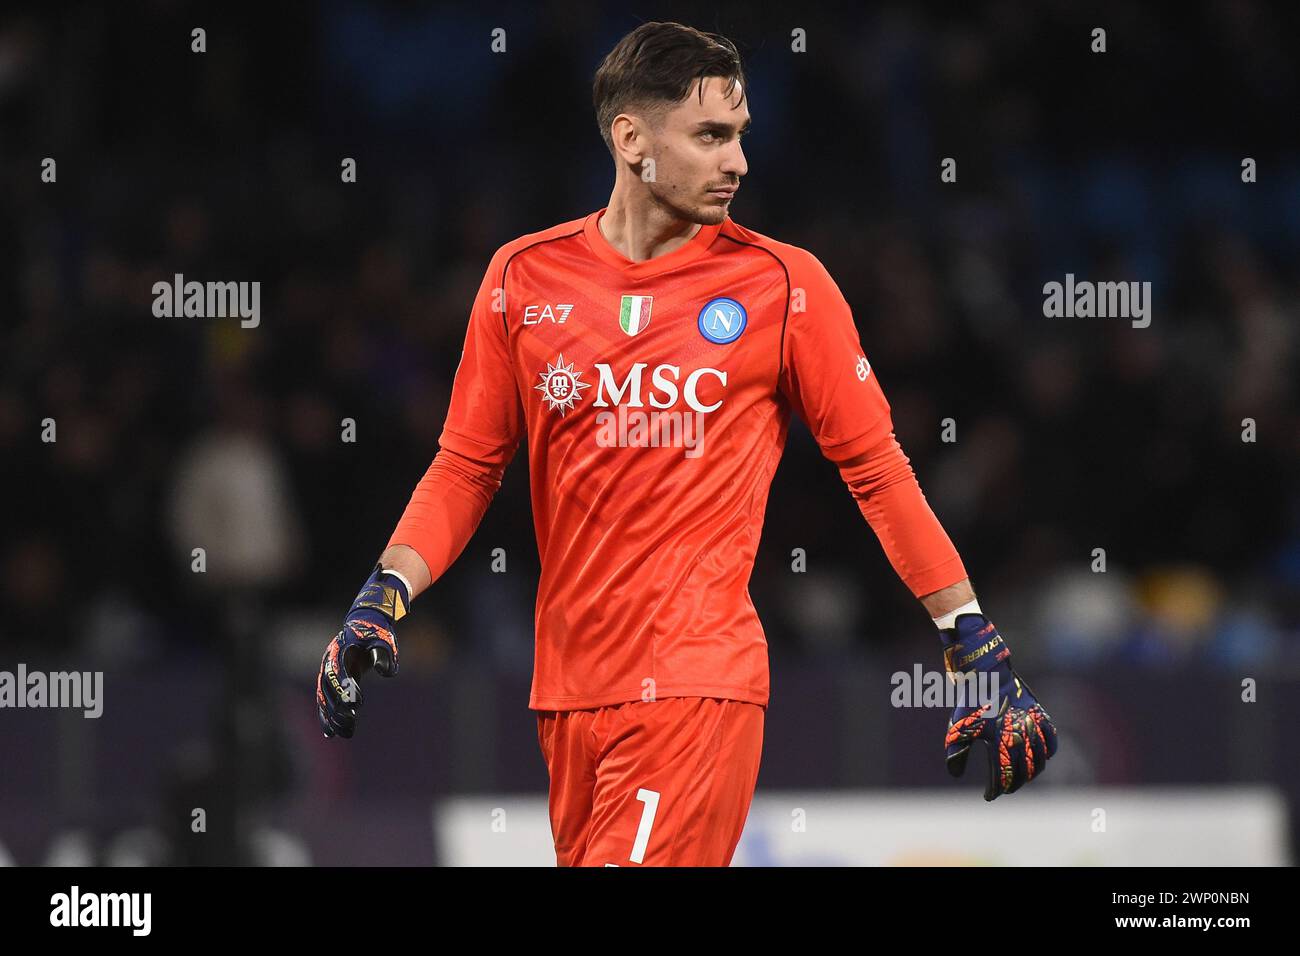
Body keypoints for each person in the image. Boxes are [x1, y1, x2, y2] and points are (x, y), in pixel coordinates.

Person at [315, 20, 1058, 867]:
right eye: (710, 136)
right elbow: (466, 466)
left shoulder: (786, 285)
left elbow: (878, 471)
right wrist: (384, 593)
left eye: (740, 135)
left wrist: (970, 636)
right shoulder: (524, 279)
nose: (737, 162)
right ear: (632, 140)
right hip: (566, 694)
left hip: (697, 683)